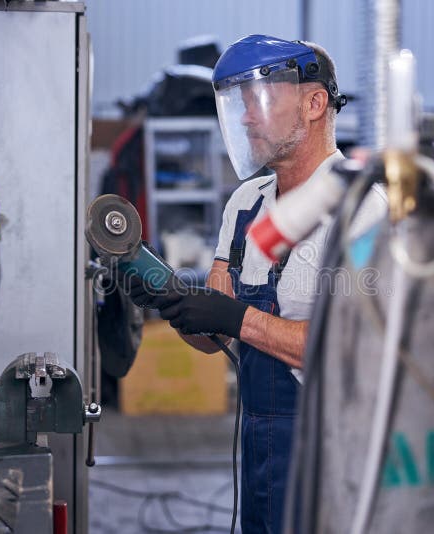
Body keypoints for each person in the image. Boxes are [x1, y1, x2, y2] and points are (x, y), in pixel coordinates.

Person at [128, 34, 353, 534]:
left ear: (315, 103)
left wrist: (236, 317)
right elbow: (217, 338)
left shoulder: (361, 209)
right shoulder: (245, 205)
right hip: (260, 444)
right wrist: (170, 299)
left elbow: (348, 352)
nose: (247, 117)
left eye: (261, 100)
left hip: (331, 449)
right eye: (240, 103)